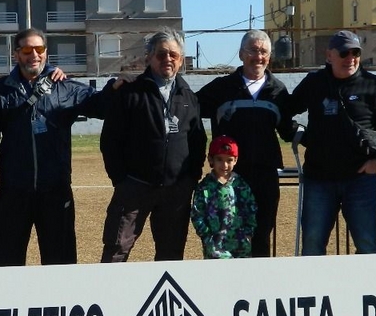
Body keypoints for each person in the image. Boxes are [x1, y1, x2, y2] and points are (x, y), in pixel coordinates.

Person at [0, 28, 113, 267]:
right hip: (14, 190)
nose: (34, 55)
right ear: (16, 54)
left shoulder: (64, 87)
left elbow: (102, 105)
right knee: (5, 261)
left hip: (55, 189)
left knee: (61, 261)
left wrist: (118, 86)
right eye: (27, 50)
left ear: (46, 53)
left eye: (39, 49)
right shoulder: (1, 90)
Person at [100, 28, 206, 263]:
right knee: (116, 251)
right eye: (161, 54)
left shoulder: (188, 96)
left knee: (171, 254)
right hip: (135, 187)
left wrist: (190, 178)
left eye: (173, 55)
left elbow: (197, 140)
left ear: (180, 60)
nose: (167, 59)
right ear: (149, 57)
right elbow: (110, 140)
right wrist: (121, 180)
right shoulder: (131, 92)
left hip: (176, 191)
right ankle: (110, 298)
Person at [289, 30, 376, 255]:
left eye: (355, 52)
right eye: (344, 52)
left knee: (368, 245)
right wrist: (301, 136)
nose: (350, 58)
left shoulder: (373, 85)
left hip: (360, 181)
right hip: (318, 179)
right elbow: (284, 111)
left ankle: (366, 289)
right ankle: (316, 289)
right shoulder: (314, 83)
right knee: (312, 244)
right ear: (330, 55)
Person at [196, 30, 295, 258]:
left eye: (263, 52)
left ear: (269, 57)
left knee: (262, 234)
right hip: (228, 177)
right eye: (252, 50)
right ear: (241, 54)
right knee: (225, 234)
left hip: (265, 175)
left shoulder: (277, 91)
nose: (258, 57)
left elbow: (288, 130)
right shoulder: (221, 88)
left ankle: (259, 287)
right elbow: (188, 108)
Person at [190, 136, 257, 259]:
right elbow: (197, 215)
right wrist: (207, 237)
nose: (224, 165)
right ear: (211, 159)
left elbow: (251, 210)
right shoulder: (204, 188)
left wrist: (248, 233)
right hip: (215, 248)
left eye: (229, 160)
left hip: (241, 247)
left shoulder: (242, 186)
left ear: (235, 160)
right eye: (219, 159)